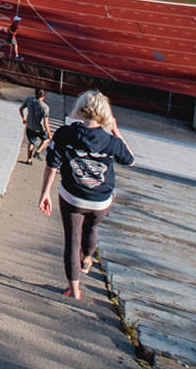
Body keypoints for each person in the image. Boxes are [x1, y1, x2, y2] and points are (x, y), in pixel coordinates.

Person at [39, 90, 136, 299]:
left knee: (72, 240)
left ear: (80, 109)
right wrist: (116, 131)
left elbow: (51, 165)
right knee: (92, 228)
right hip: (101, 200)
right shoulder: (111, 142)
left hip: (72, 197)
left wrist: (45, 193)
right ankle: (87, 258)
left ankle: (74, 291)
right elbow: (130, 160)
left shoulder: (65, 133)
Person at [20, 88, 53, 162]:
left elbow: (21, 109)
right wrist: (49, 134)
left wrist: (23, 118)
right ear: (44, 96)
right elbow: (45, 123)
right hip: (39, 128)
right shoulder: (45, 107)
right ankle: (37, 152)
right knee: (46, 139)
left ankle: (29, 159)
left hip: (29, 126)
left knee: (31, 142)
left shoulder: (29, 99)